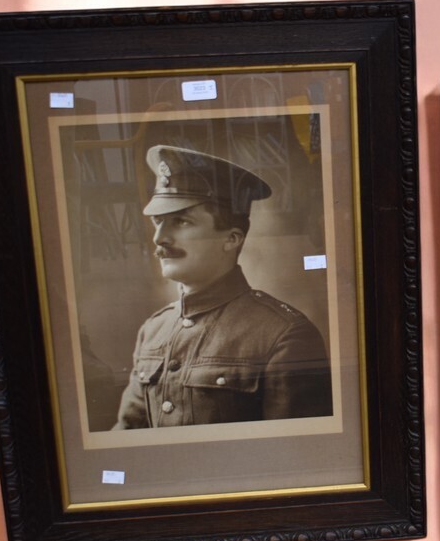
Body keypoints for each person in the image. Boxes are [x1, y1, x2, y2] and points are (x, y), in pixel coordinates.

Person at [114, 145, 332, 429]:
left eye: (181, 221)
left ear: (231, 239)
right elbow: (127, 436)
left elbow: (292, 449)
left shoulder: (283, 336)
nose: (159, 238)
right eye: (158, 222)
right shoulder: (153, 331)